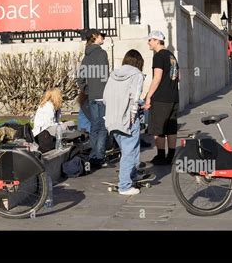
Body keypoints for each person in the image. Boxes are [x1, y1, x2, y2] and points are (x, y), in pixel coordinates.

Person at [103, 50, 145, 195]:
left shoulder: (113, 75)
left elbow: (105, 97)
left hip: (112, 119)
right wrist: (133, 115)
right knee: (129, 151)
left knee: (128, 150)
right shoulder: (137, 75)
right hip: (128, 119)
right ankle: (125, 186)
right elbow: (135, 97)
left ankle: (132, 175)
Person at [143, 30, 180, 165]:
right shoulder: (172, 56)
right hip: (173, 97)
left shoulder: (158, 56)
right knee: (171, 127)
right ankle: (170, 156)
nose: (148, 42)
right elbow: (178, 77)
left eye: (150, 40)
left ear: (157, 41)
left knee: (158, 128)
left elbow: (157, 78)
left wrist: (148, 97)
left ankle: (160, 156)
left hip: (161, 98)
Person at [77, 29, 110, 168]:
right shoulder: (101, 53)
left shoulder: (86, 56)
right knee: (102, 127)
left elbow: (81, 79)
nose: (103, 37)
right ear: (95, 37)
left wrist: (88, 90)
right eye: (101, 35)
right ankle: (98, 156)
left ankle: (94, 154)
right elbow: (105, 76)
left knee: (95, 125)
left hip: (92, 96)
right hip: (102, 96)